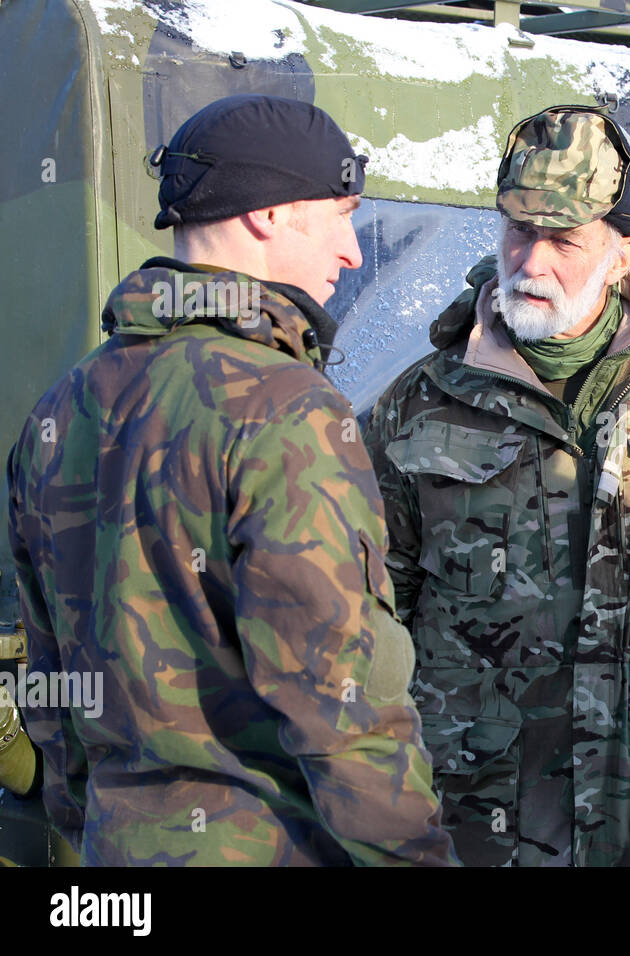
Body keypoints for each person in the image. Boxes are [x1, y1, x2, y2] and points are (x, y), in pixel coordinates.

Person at [7, 93, 456, 866]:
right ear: (269, 214)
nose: (351, 251)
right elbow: (342, 698)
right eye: (339, 213)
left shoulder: (66, 403)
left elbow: (51, 685)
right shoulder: (284, 408)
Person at [364, 105, 630, 866]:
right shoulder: (418, 405)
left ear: (623, 253)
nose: (532, 260)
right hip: (485, 815)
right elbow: (379, 607)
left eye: (563, 239)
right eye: (519, 231)